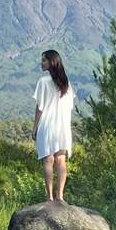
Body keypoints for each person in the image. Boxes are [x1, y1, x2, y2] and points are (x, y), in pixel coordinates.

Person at [32, 49, 74, 202]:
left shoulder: (43, 82)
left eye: (44, 60)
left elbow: (40, 107)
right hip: (62, 126)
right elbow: (69, 107)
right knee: (61, 160)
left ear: (51, 62)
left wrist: (35, 127)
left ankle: (49, 197)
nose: (41, 63)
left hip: (47, 125)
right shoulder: (67, 83)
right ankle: (60, 196)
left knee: (48, 160)